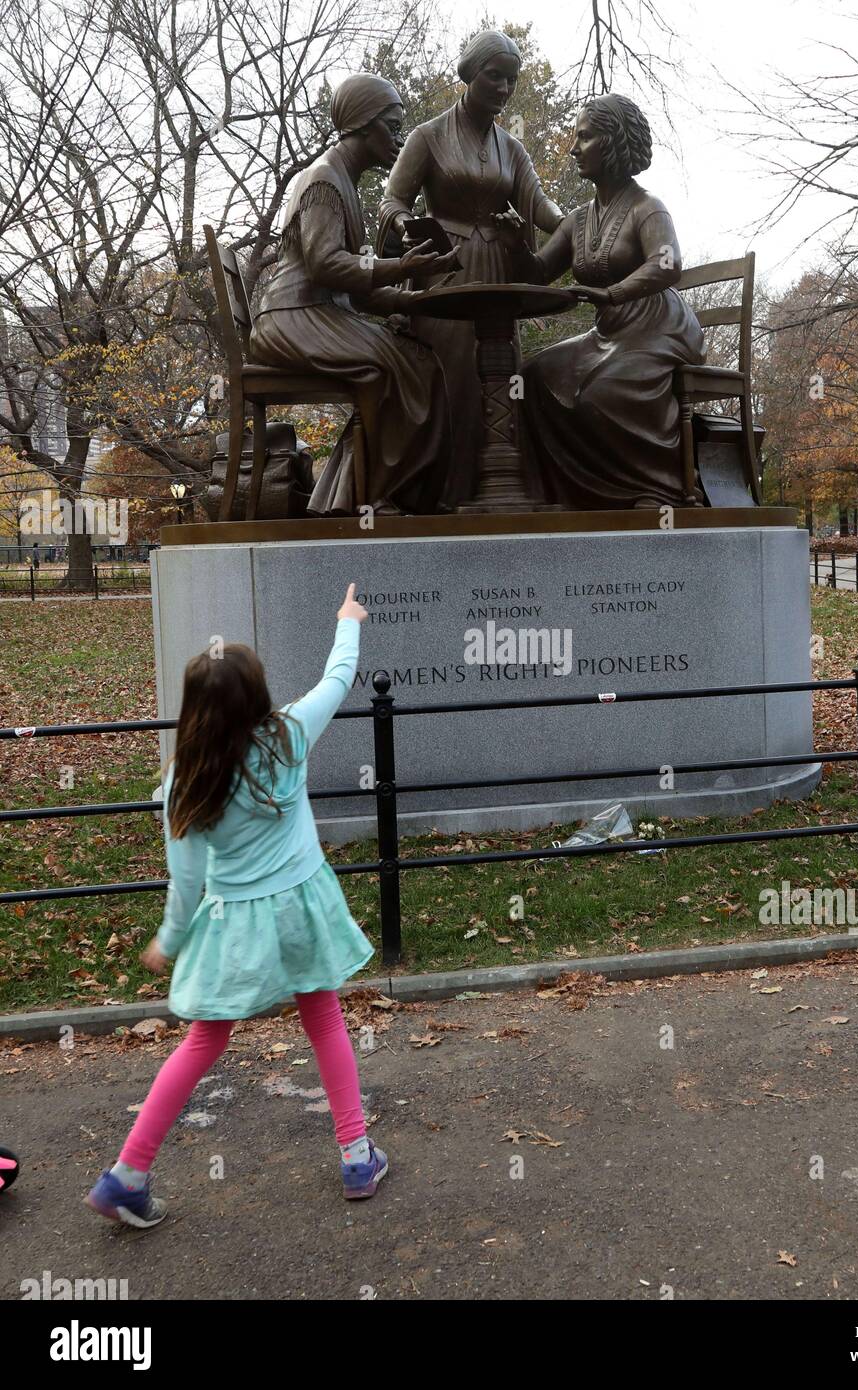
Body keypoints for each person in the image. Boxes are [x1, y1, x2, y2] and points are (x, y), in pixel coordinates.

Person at [86, 585, 384, 1229]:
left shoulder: (182, 782)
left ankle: (127, 1175)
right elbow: (338, 677)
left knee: (203, 1040)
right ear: (257, 696)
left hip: (233, 921)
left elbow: (185, 882)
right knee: (325, 1020)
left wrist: (169, 939)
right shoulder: (289, 737)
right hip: (301, 908)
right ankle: (357, 1156)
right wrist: (347, 622)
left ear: (194, 709)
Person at [250, 75, 458, 516]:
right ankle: (372, 496)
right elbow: (327, 264)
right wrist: (402, 267)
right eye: (393, 126)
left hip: (320, 313)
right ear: (364, 124)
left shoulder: (345, 181)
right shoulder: (325, 180)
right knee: (390, 368)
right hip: (293, 317)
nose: (399, 139)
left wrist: (409, 299)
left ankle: (357, 495)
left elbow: (356, 290)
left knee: (420, 360)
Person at [377, 30, 565, 507]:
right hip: (444, 267)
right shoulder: (428, 136)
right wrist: (406, 227)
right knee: (451, 375)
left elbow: (539, 204)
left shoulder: (512, 148)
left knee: (501, 374)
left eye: (512, 80)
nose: (503, 88)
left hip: (498, 271)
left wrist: (572, 225)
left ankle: (498, 488)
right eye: (494, 76)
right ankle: (440, 494)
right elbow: (391, 200)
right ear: (469, 74)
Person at [497, 94, 706, 509]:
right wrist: (515, 241)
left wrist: (611, 293)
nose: (574, 148)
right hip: (609, 335)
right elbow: (539, 271)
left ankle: (657, 489)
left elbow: (668, 265)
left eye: (585, 137)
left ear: (612, 143)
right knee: (532, 378)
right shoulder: (578, 219)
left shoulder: (648, 208)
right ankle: (568, 494)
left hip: (658, 329)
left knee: (600, 394)